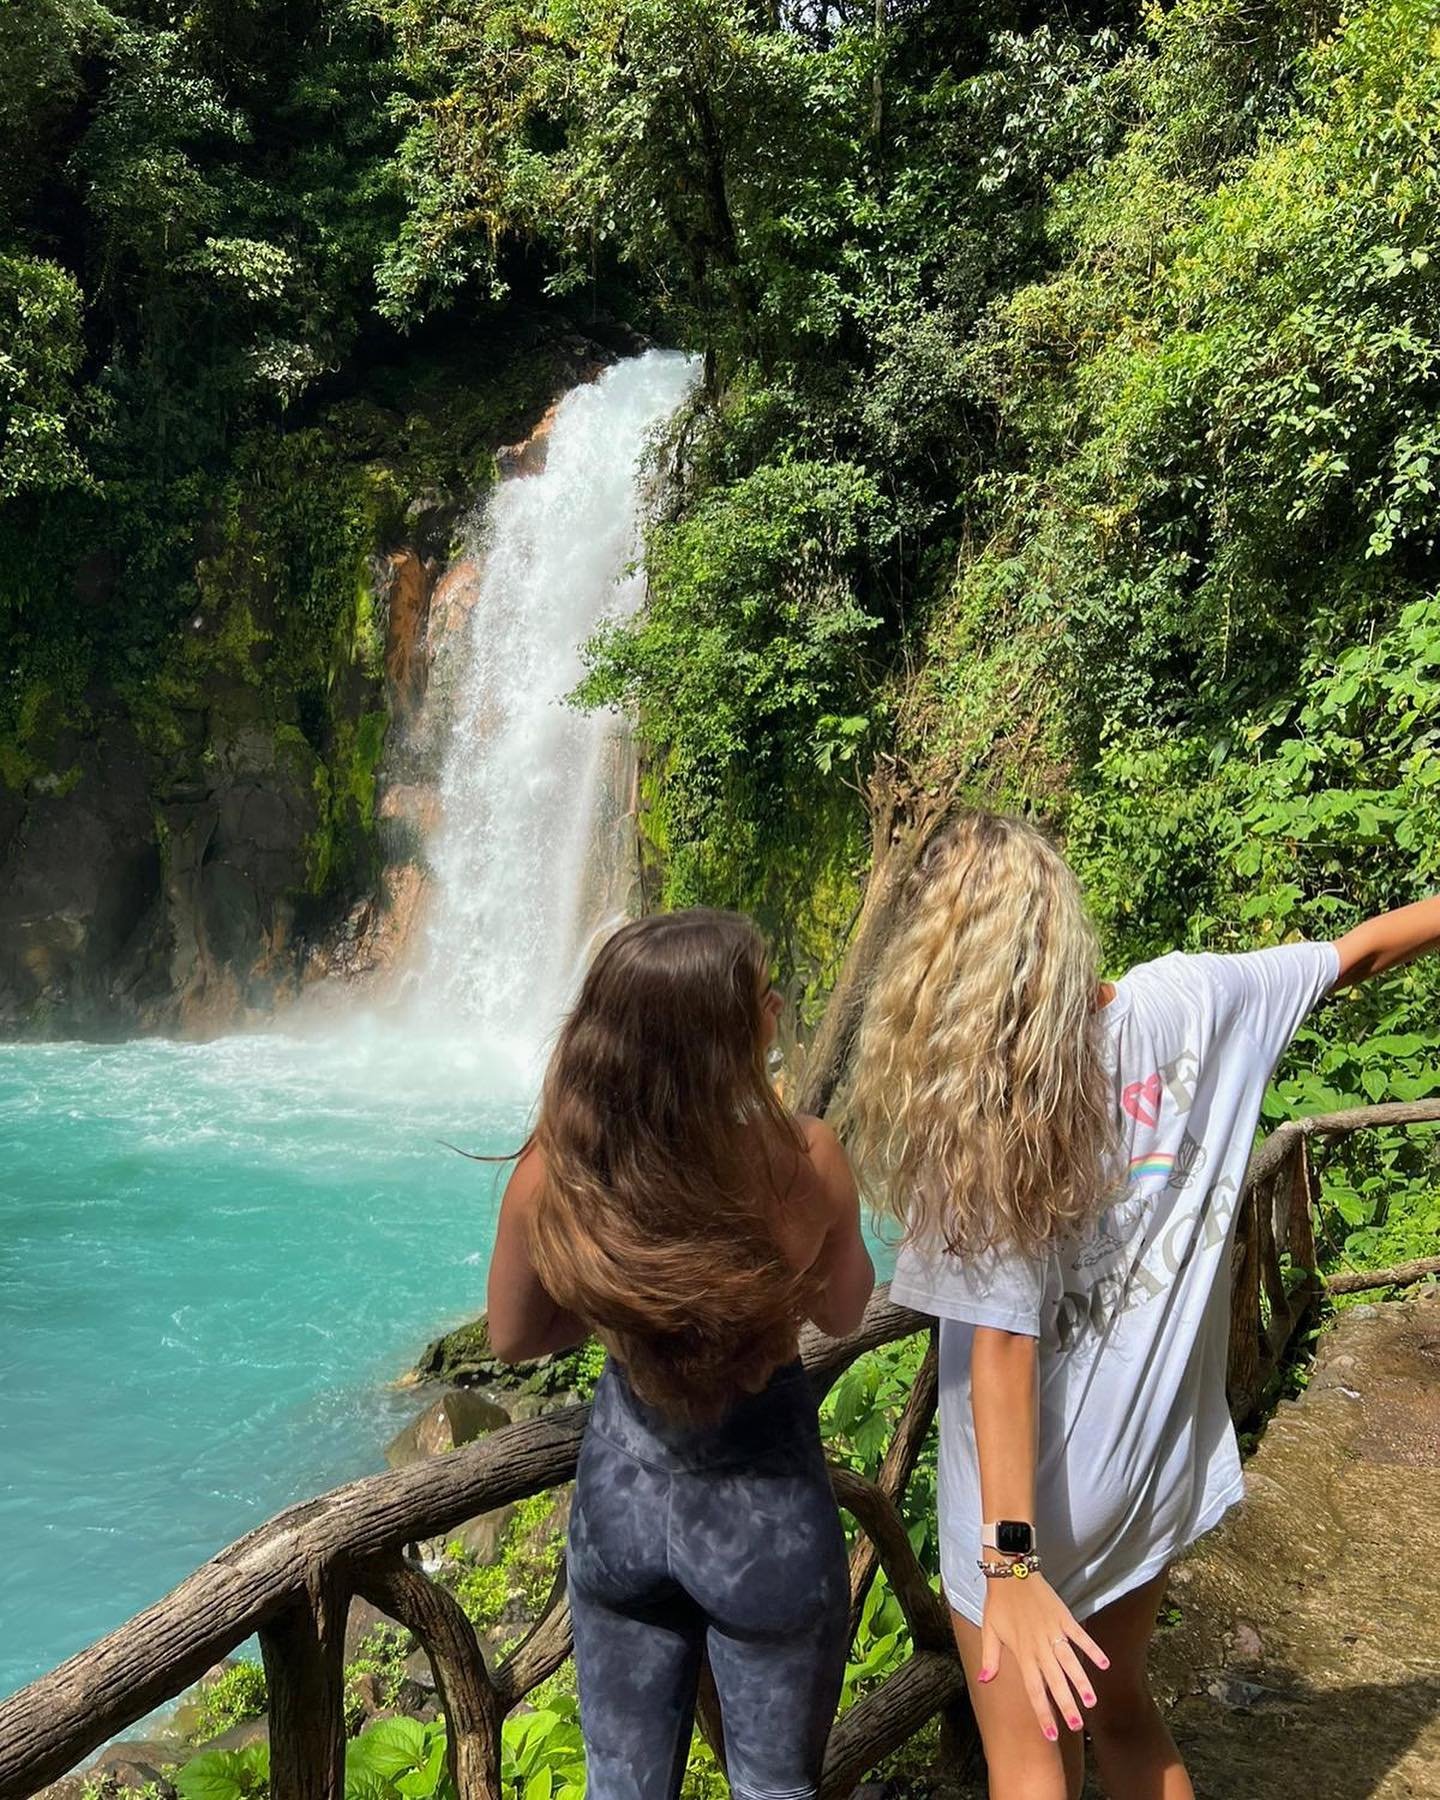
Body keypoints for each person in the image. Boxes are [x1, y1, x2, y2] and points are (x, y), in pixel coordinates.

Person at [843, 809, 1440, 1800]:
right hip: (1150, 1468)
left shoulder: (984, 1111)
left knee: (1031, 1763)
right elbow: (1360, 954)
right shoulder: (1192, 999)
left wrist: (1012, 1569)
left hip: (1021, 1505)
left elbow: (999, 1348)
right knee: (1122, 1712)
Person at [486, 907, 875, 1800]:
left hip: (621, 1498)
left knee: (621, 1787)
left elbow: (514, 1336)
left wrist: (633, 1297)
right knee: (776, 1790)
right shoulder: (803, 1158)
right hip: (764, 1514)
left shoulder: (560, 1174)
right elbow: (848, 1310)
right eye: (761, 997)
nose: (777, 1004)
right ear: (724, 1036)